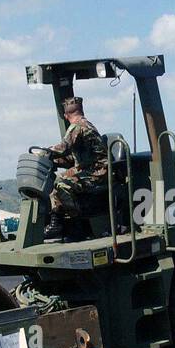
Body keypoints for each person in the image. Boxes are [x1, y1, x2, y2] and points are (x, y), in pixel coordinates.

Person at [44, 96, 109, 240]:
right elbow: (72, 157)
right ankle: (57, 222)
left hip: (98, 172)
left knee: (62, 184)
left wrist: (44, 152)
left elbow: (63, 147)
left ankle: (77, 224)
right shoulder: (85, 124)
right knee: (58, 179)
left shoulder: (78, 126)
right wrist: (54, 161)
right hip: (91, 168)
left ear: (66, 116)